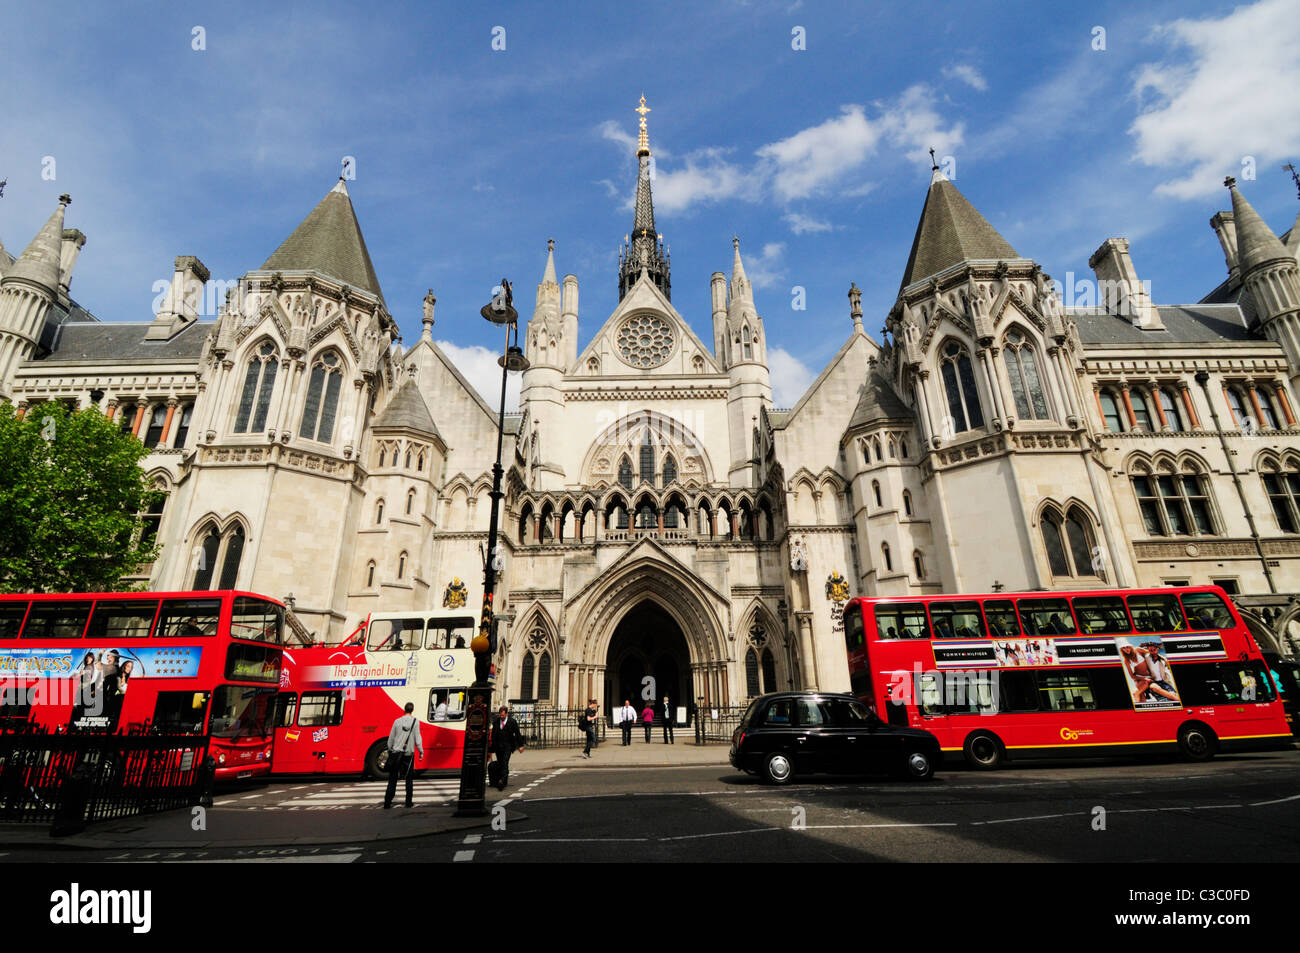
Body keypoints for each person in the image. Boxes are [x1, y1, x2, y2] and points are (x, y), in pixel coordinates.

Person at [383, 701, 424, 809]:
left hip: (396, 753)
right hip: (409, 754)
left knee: (393, 778)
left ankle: (387, 801)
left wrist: (390, 749)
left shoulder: (397, 721)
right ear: (412, 710)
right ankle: (408, 802)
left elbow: (391, 738)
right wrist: (420, 751)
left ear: (404, 709)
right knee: (409, 778)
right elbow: (417, 738)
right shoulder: (416, 722)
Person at [488, 705, 524, 790]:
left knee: (505, 762)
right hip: (498, 747)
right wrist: (492, 747)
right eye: (500, 715)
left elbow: (517, 734)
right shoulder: (496, 722)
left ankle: (502, 781)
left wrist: (520, 745)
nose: (501, 717)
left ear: (506, 714)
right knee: (501, 763)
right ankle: (504, 780)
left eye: (503, 715)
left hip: (508, 746)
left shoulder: (512, 722)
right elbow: (493, 735)